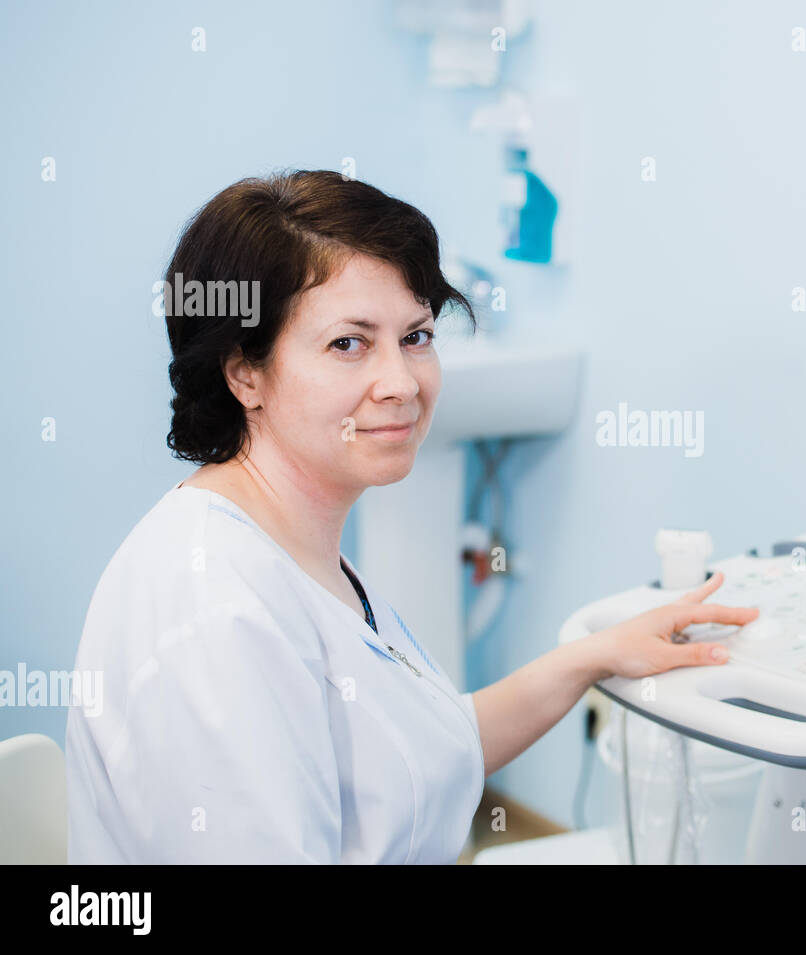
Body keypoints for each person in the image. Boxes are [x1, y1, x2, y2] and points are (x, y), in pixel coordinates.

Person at [64, 170, 757, 863]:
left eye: (417, 336)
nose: (401, 383)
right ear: (245, 372)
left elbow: (426, 751)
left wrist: (594, 656)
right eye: (349, 343)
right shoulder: (216, 612)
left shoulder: (293, 545)